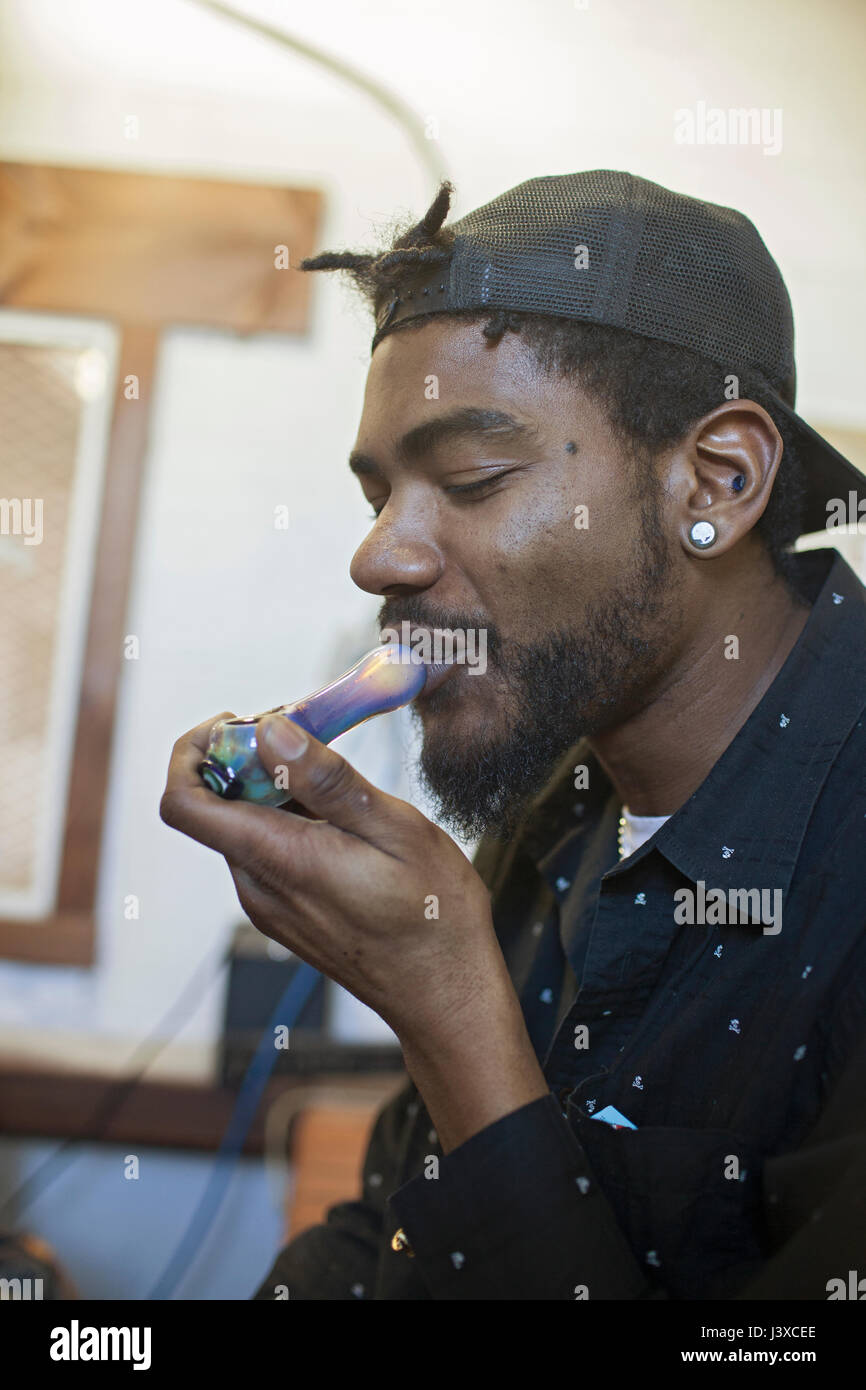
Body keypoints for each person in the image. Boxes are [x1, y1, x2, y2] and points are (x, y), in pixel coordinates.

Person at [160, 172, 866, 1299]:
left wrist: (450, 1013)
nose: (380, 559)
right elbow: (388, 1228)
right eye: (380, 496)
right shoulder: (561, 806)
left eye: (472, 478)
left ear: (717, 480)